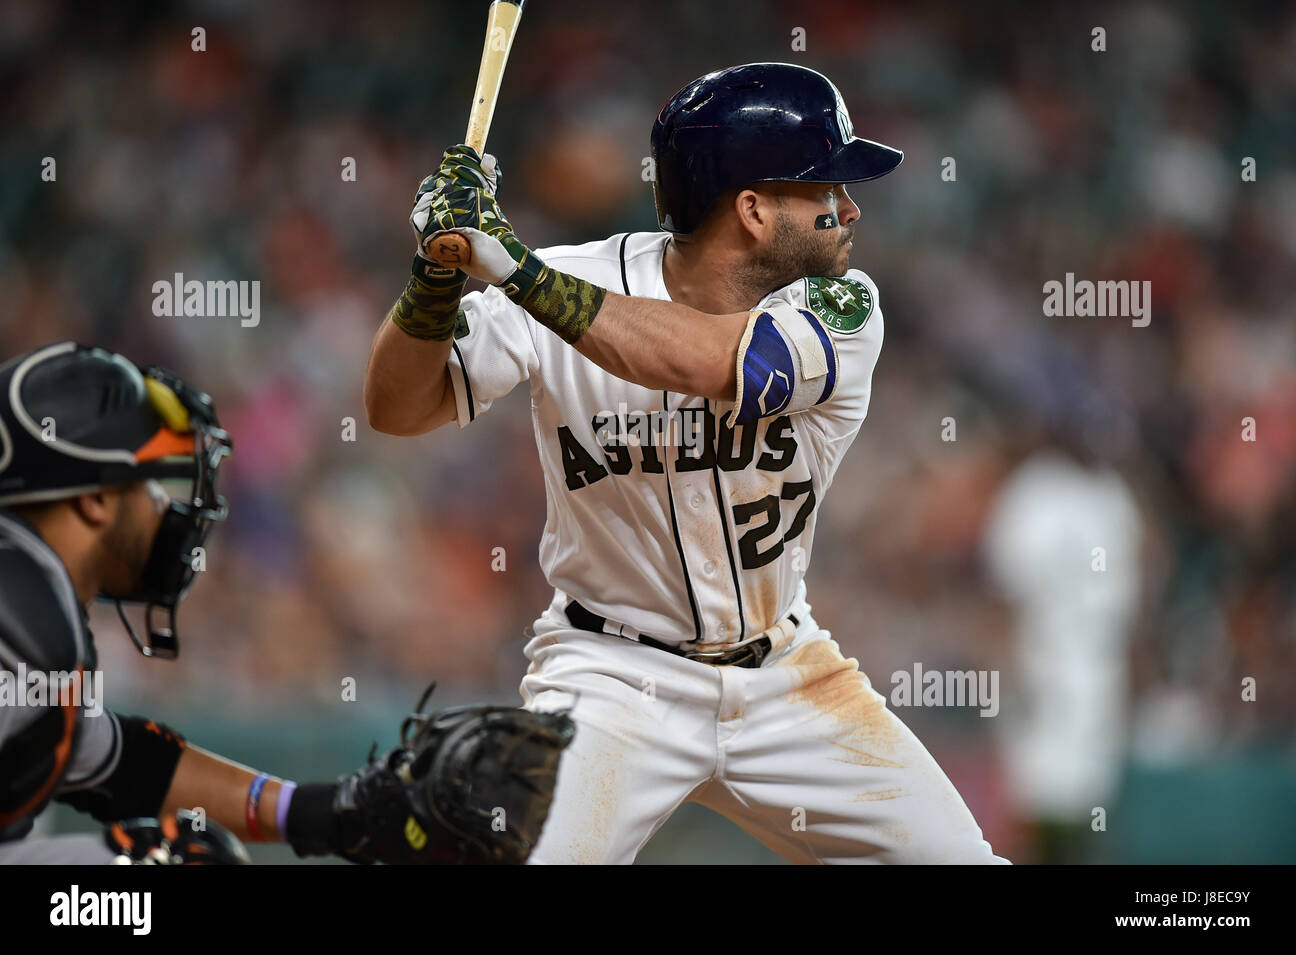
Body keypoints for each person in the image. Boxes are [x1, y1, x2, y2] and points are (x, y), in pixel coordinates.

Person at [364, 62, 1006, 864]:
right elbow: (395, 407)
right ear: (753, 209)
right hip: (611, 676)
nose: (850, 208)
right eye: (825, 189)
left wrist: (515, 269)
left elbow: (716, 363)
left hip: (787, 676)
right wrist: (434, 276)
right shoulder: (570, 280)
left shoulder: (844, 306)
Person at [0, 342, 571, 864]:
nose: (165, 508)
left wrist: (337, 812)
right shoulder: (21, 611)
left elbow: (124, 766)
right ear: (97, 499)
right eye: (153, 484)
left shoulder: (30, 595)